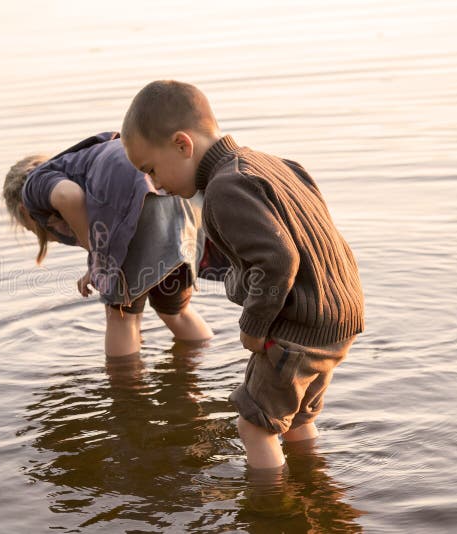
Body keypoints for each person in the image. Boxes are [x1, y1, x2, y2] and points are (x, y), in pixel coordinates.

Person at [120, 81, 365, 469]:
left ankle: (273, 511)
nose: (154, 184)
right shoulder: (274, 164)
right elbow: (320, 232)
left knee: (254, 426)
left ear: (182, 145)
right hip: (339, 314)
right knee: (292, 418)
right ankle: (315, 486)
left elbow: (279, 260)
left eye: (151, 169)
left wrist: (253, 325)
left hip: (297, 326)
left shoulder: (225, 187)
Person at [2, 132, 213, 357]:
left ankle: (124, 390)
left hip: (140, 208)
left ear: (25, 211)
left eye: (28, 228)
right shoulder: (83, 160)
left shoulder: (36, 184)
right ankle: (206, 364)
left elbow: (68, 197)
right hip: (182, 201)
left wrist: (97, 260)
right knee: (176, 312)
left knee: (121, 318)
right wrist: (96, 263)